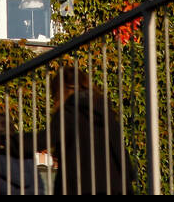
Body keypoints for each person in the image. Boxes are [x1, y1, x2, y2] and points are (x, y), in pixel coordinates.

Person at [48, 63, 136, 195]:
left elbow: (45, 139)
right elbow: (120, 151)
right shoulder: (104, 111)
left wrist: (12, 142)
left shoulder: (67, 114)